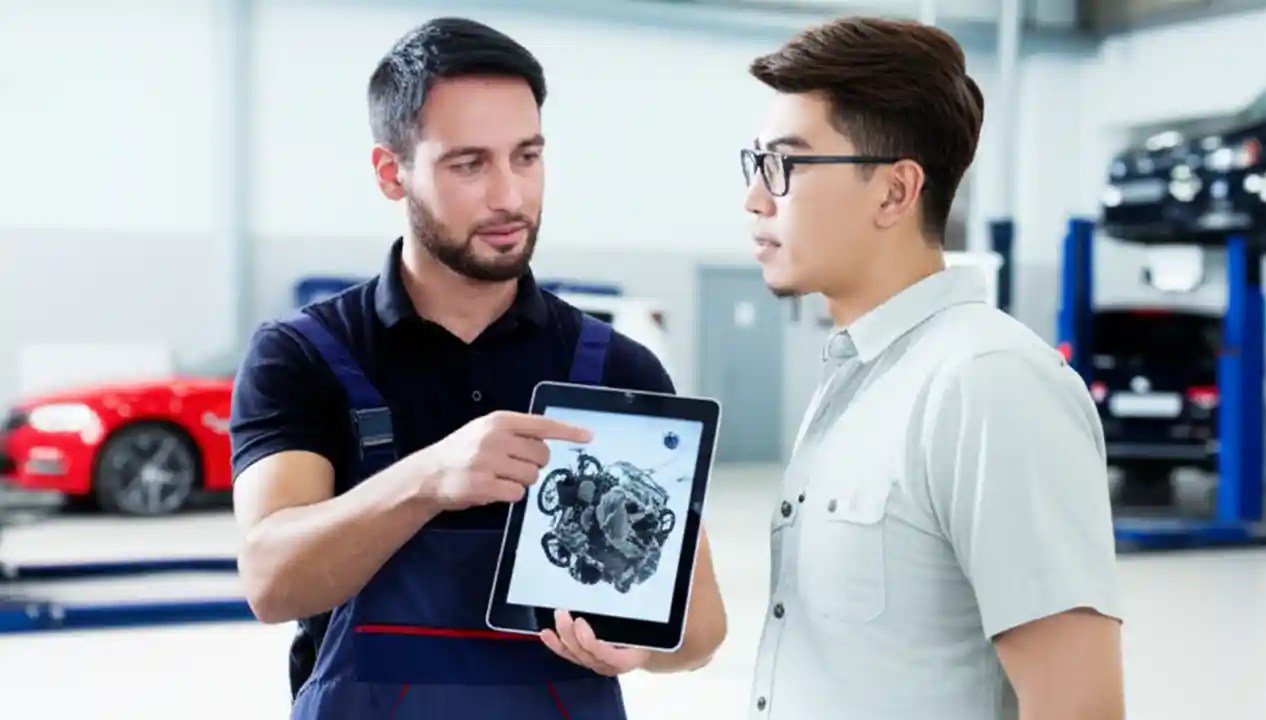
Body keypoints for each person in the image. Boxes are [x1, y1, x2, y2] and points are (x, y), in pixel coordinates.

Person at [230, 17, 726, 720]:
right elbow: (271, 580)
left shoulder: (616, 369)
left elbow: (701, 630)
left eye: (527, 157)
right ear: (390, 172)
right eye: (469, 164)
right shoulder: (303, 354)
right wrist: (430, 479)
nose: (510, 197)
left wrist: (642, 647)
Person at [739, 16, 1124, 720]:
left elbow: (1079, 706)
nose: (756, 199)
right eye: (755, 164)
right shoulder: (855, 380)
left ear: (894, 191)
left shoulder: (988, 383)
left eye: (786, 166)